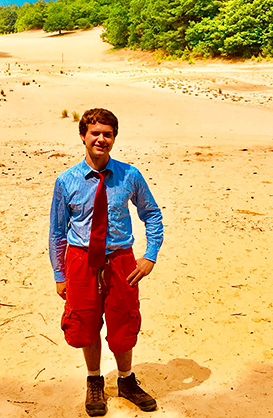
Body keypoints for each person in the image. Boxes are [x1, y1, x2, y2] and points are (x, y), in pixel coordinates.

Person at [49, 108, 164, 416]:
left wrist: (150, 255)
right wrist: (60, 274)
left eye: (108, 134)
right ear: (83, 136)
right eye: (95, 133)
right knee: (85, 323)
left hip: (121, 260)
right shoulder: (66, 181)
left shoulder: (129, 175)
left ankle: (126, 380)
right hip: (81, 260)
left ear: (114, 138)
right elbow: (58, 232)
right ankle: (94, 380)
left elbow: (151, 214)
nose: (101, 139)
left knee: (123, 320)